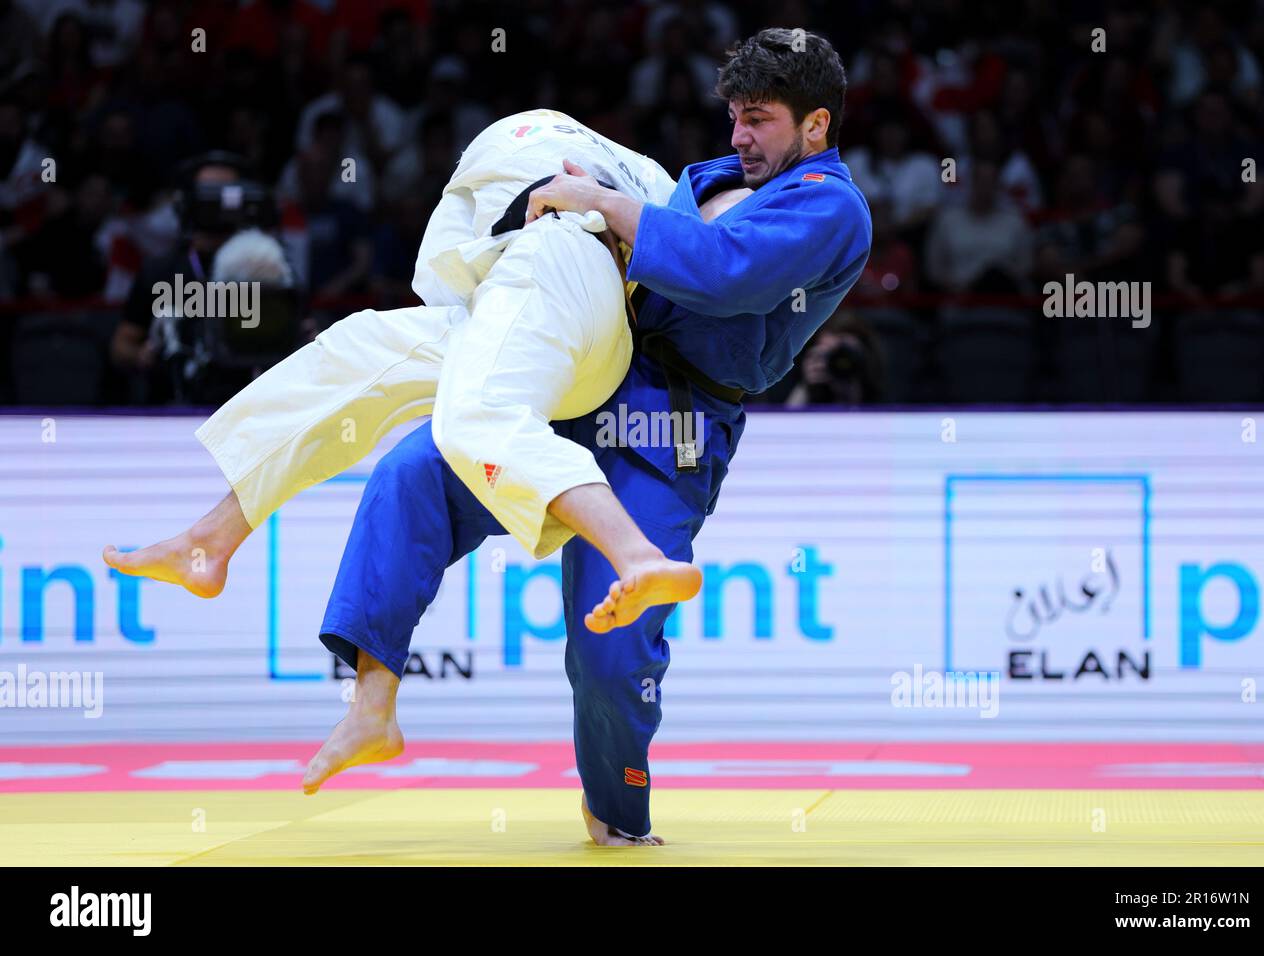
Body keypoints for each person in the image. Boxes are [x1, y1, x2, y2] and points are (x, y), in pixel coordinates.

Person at [301, 29, 872, 845]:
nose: (740, 136)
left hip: (670, 425)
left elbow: (725, 270)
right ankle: (373, 702)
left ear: (816, 126)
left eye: (761, 119)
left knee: (609, 649)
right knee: (415, 472)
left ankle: (617, 814)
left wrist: (606, 206)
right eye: (736, 116)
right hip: (592, 375)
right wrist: (585, 214)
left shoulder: (832, 206)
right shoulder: (707, 177)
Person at [104, 108, 703, 633]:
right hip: (564, 329)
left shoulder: (544, 164)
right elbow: (687, 254)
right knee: (358, 352)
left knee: (475, 415)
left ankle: (636, 555)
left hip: (560, 258)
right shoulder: (642, 172)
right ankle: (213, 538)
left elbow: (446, 280)